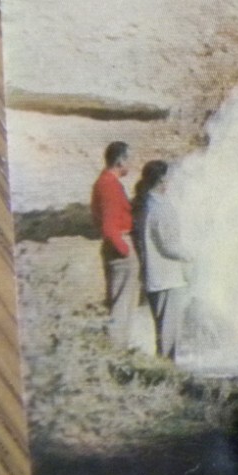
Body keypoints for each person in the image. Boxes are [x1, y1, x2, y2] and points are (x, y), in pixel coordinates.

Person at [132, 160, 190, 360]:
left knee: (162, 328)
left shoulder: (145, 204)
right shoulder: (160, 207)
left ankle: (163, 366)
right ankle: (166, 369)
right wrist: (190, 255)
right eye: (168, 177)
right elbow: (168, 246)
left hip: (155, 276)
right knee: (169, 331)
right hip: (167, 277)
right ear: (162, 180)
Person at [90, 140, 138, 347]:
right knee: (122, 302)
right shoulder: (109, 185)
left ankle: (116, 346)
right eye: (129, 159)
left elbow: (98, 218)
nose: (131, 164)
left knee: (119, 299)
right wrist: (125, 249)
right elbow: (109, 227)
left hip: (114, 245)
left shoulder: (102, 182)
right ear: (120, 161)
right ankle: (116, 348)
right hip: (120, 246)